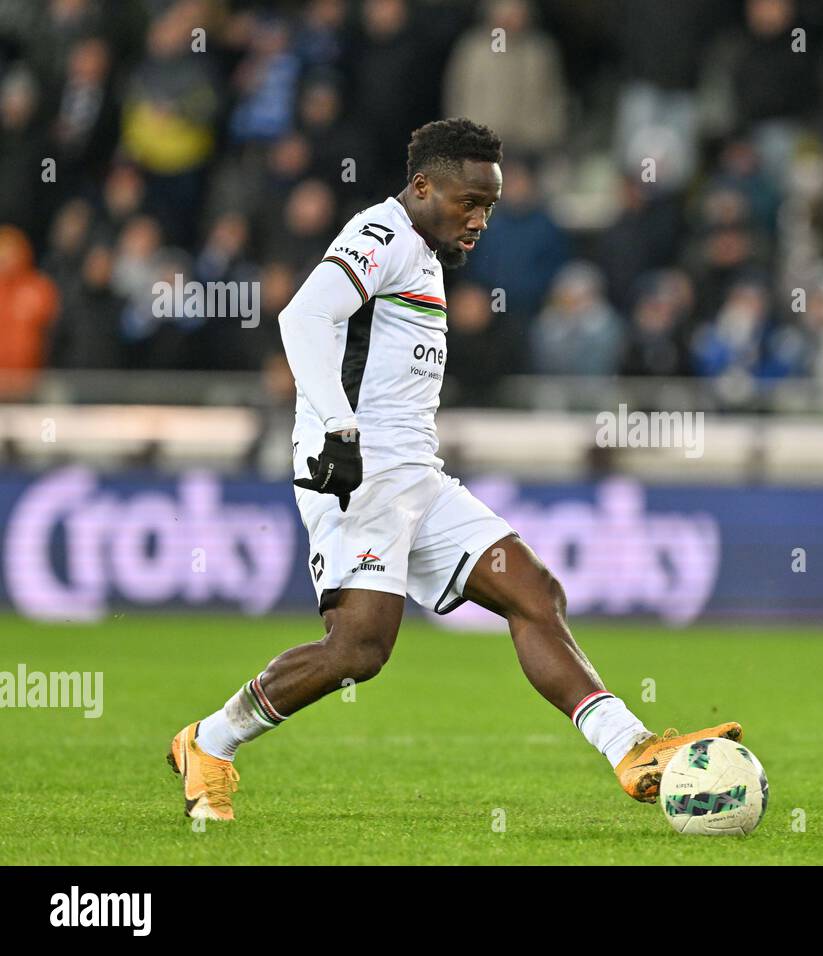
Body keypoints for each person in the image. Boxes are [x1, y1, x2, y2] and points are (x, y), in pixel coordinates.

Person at [168, 118, 740, 821]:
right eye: (469, 202)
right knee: (358, 651)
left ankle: (630, 747)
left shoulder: (424, 252)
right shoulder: (381, 234)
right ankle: (210, 741)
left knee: (533, 589)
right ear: (422, 186)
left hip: (415, 474)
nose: (479, 220)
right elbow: (303, 317)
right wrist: (340, 429)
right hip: (357, 471)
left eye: (490, 206)